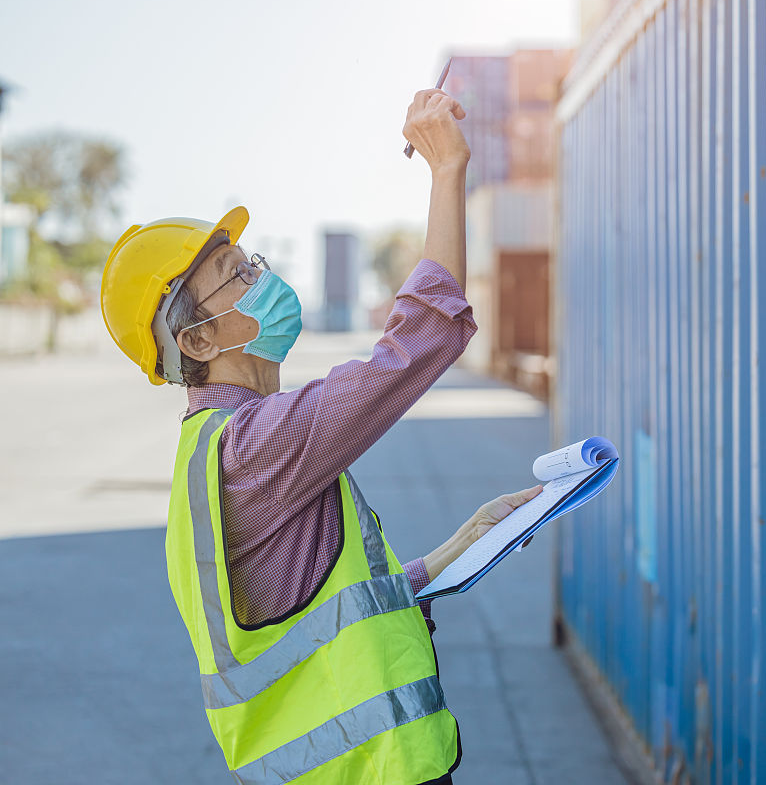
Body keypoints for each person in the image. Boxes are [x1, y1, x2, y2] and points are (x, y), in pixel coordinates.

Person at [98, 88, 542, 784]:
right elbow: (420, 342)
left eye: (254, 262)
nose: (262, 278)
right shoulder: (254, 446)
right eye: (237, 276)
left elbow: (315, 618)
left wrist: (451, 554)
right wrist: (448, 172)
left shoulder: (212, 451)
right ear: (200, 338)